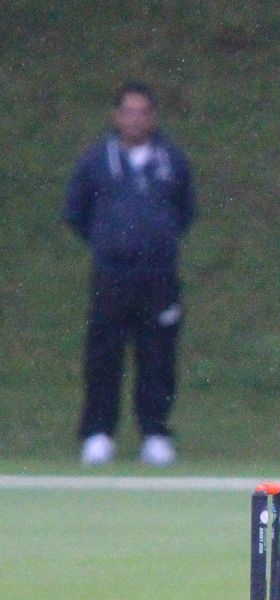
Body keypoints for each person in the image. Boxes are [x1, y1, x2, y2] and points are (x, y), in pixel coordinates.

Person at [64, 82, 196, 467]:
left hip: (158, 275)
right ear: (116, 116)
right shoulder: (96, 161)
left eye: (144, 112)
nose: (136, 119)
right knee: (104, 354)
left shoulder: (171, 159)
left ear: (153, 117)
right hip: (112, 275)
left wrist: (158, 241)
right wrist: (108, 243)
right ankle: (98, 434)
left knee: (157, 355)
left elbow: (185, 211)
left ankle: (155, 433)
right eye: (129, 111)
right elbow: (76, 212)